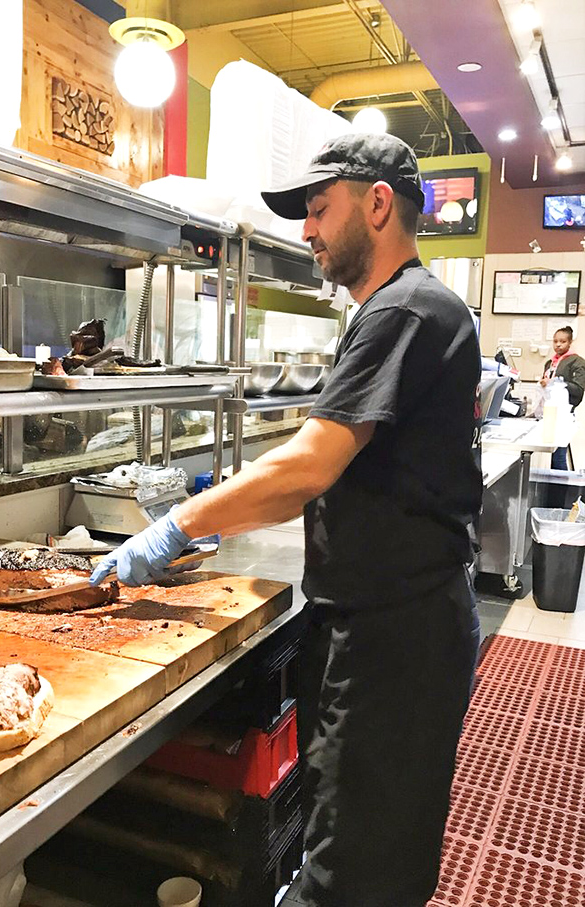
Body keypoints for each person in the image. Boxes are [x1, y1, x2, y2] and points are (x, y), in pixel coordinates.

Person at [91, 133, 483, 907]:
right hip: (395, 620)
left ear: (377, 204)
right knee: (368, 842)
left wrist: (177, 525)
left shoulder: (403, 309)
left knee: (358, 873)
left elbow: (306, 466)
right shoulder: (403, 307)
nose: (305, 231)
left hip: (393, 639)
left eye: (317, 208)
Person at [540, 327, 585, 469]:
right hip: (548, 412)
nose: (558, 344)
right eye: (555, 341)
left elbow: (578, 389)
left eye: (563, 341)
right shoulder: (550, 363)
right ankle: (553, 487)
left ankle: (560, 489)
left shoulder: (577, 362)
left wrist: (555, 382)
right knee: (551, 454)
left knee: (559, 456)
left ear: (570, 342)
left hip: (564, 414)